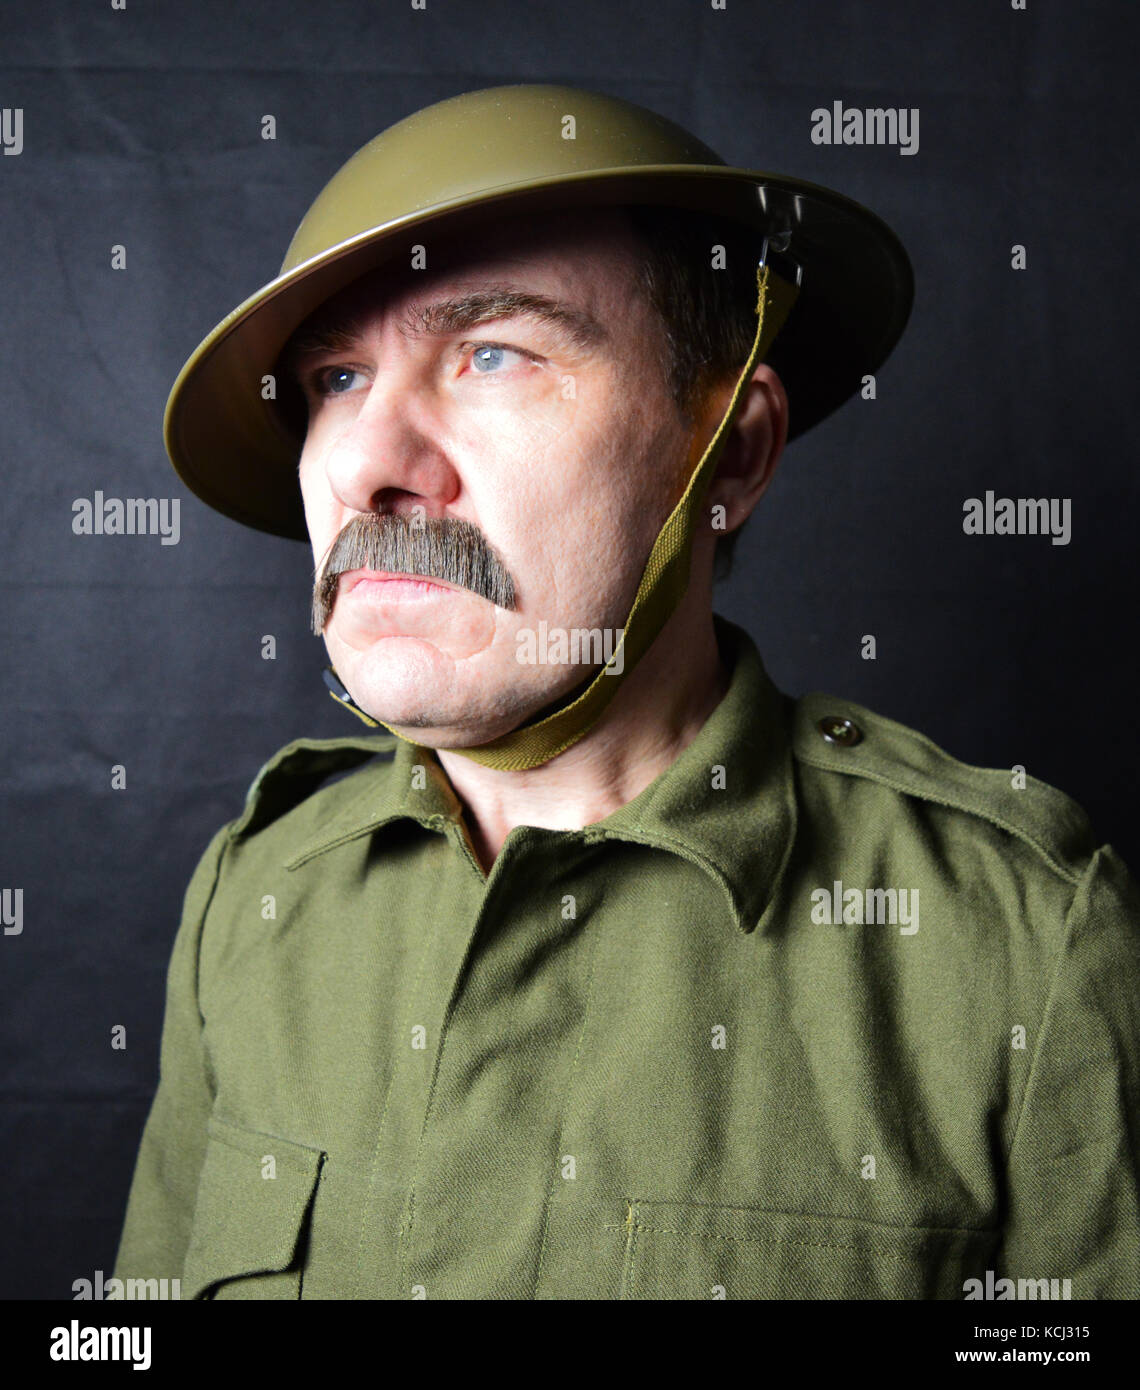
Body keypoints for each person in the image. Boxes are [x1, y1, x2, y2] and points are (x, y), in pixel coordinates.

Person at [113, 83, 1140, 1300]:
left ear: (734, 455)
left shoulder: (1022, 940)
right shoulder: (260, 895)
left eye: (491, 353)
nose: (370, 467)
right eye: (335, 379)